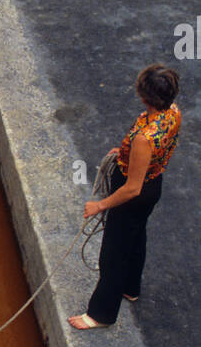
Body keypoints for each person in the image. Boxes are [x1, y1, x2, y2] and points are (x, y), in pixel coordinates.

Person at [69, 64, 181, 330]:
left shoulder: (144, 138)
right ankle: (131, 287)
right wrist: (124, 152)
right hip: (153, 183)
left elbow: (132, 188)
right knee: (136, 236)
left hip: (135, 192)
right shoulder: (173, 113)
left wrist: (100, 205)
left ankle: (101, 314)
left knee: (113, 254)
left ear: (145, 97)